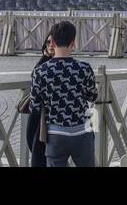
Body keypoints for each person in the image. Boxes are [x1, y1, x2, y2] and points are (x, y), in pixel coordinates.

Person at [26, 20, 98, 167]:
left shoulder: (41, 71)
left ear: (52, 42)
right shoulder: (84, 68)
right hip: (82, 131)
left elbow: (34, 107)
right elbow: (93, 96)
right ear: (73, 42)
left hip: (55, 134)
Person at [22, 35, 55, 168]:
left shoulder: (55, 65)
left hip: (48, 117)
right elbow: (34, 74)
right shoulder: (43, 64)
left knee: (42, 154)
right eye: (48, 42)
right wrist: (45, 56)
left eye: (54, 42)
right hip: (37, 113)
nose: (50, 44)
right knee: (34, 145)